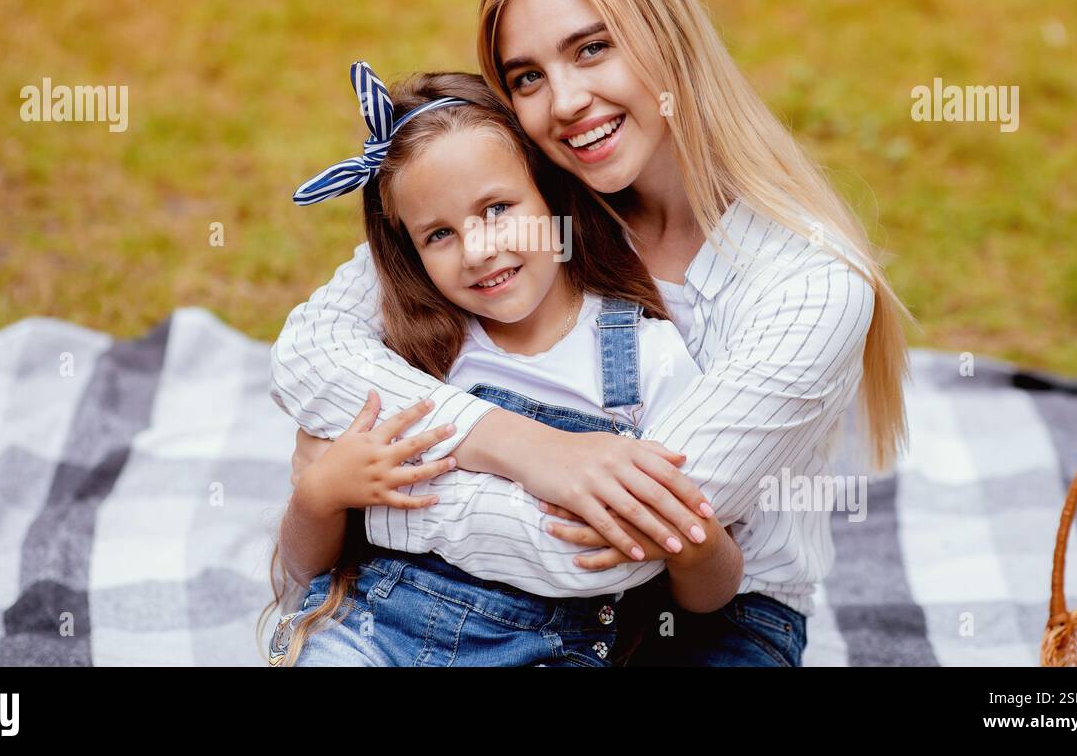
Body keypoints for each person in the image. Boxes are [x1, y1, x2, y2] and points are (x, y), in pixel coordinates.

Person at [273, 0, 913, 666]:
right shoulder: (532, 211)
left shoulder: (810, 284)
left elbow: (614, 545)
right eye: (528, 78)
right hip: (466, 598)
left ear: (667, 38)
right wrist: (523, 445)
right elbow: (311, 351)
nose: (567, 101)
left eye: (593, 48)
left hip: (714, 618)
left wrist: (357, 491)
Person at [262, 63, 742, 666]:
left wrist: (691, 544)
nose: (478, 250)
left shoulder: (646, 357)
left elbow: (710, 592)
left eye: (496, 208)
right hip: (378, 633)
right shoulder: (413, 360)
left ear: (550, 192)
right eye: (439, 234)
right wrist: (320, 495)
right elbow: (306, 572)